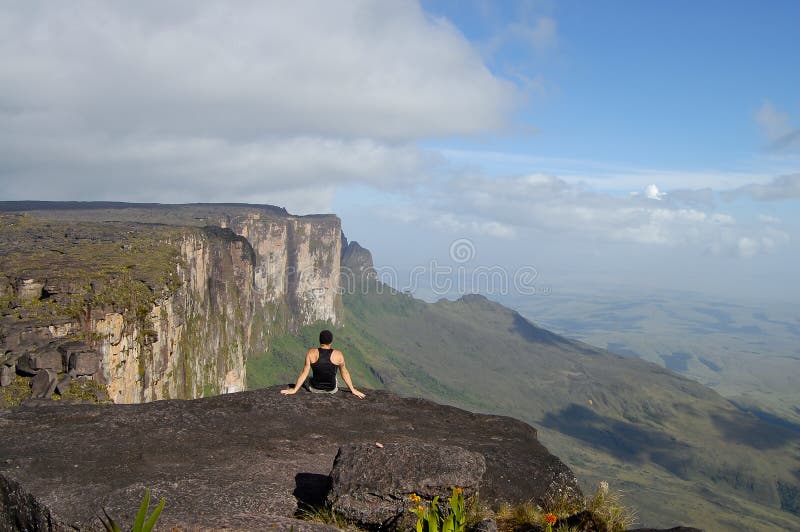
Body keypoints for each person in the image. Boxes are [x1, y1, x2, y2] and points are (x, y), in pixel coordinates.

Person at [280, 329, 366, 398]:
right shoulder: (338, 355)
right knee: (335, 378)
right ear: (331, 341)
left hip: (315, 389)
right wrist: (353, 390)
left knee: (307, 379)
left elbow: (304, 373)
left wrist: (294, 390)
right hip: (332, 390)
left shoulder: (311, 353)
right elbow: (345, 373)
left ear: (320, 340)